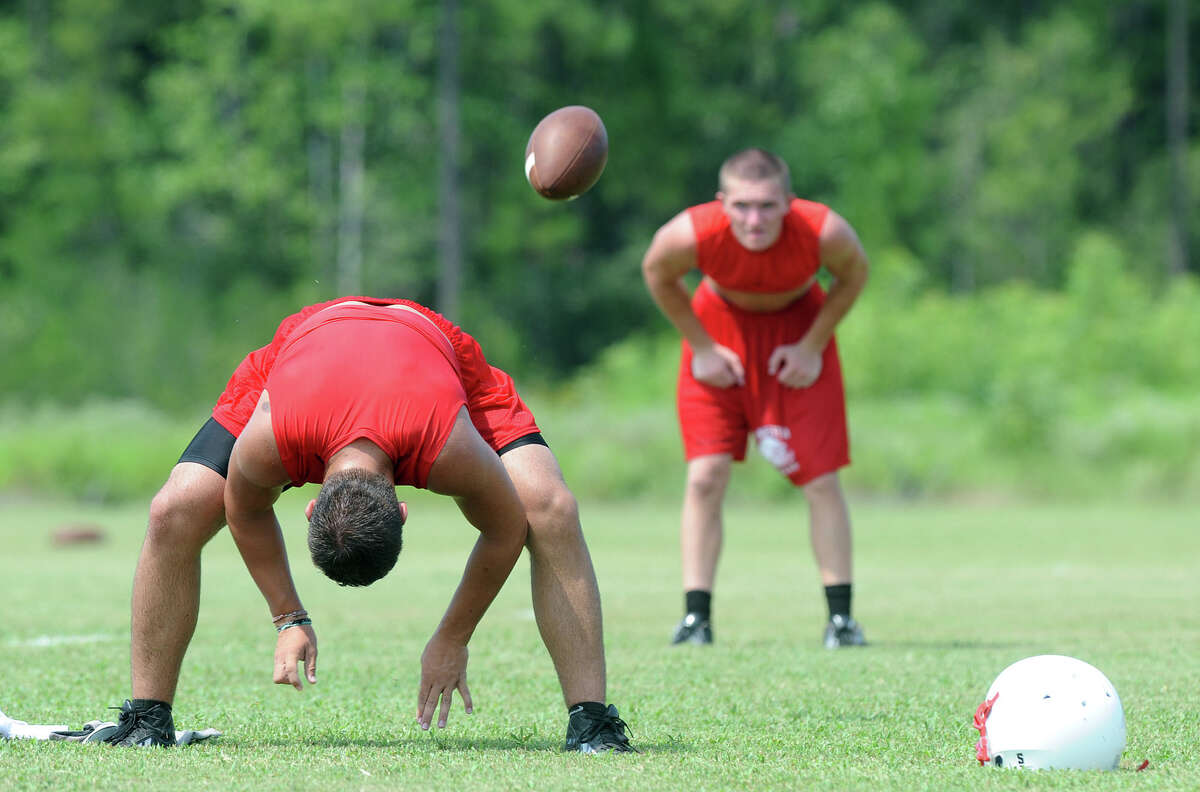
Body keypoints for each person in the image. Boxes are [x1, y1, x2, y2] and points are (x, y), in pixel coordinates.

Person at [102, 297, 634, 753]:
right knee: (174, 510)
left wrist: (453, 637)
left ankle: (593, 724)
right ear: (407, 504)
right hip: (306, 343)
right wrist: (287, 618)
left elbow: (508, 525)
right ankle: (147, 720)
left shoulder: (448, 444)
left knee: (550, 508)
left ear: (306, 500)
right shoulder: (270, 438)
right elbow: (242, 506)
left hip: (428, 343)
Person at [640, 148, 870, 649]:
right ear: (722, 202)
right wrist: (701, 346)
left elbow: (854, 275)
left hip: (799, 330)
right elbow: (657, 273)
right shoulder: (691, 233)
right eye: (742, 206)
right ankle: (695, 620)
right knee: (705, 476)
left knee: (821, 479)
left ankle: (842, 622)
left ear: (790, 202)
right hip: (717, 330)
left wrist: (812, 346)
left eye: (767, 206)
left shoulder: (823, 230)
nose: (754, 219)